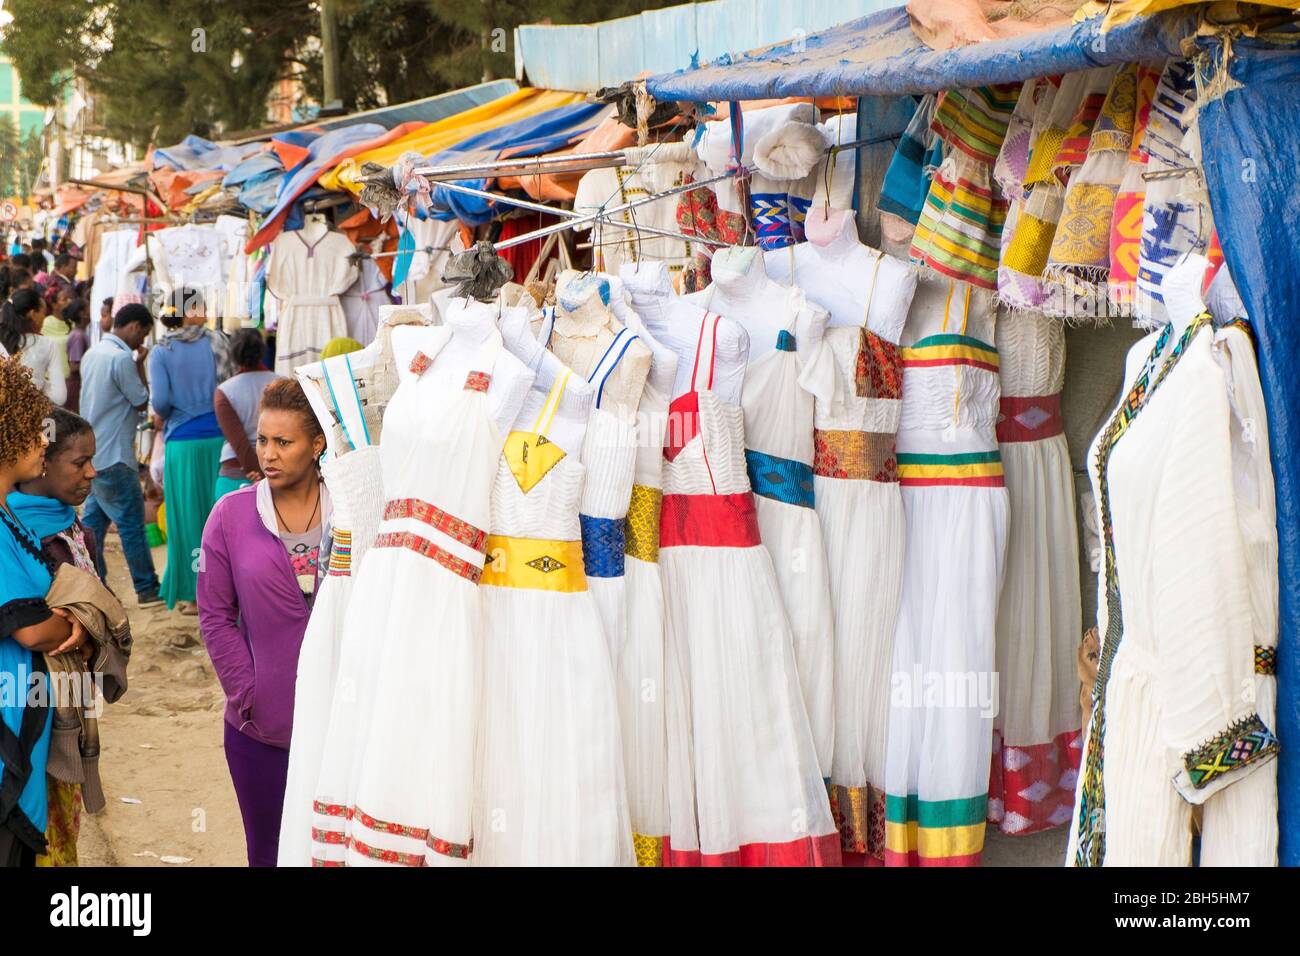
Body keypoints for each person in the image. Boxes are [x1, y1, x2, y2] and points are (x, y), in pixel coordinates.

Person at [198, 377, 328, 866]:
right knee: (269, 853)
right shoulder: (231, 515)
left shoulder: (352, 511)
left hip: (343, 721)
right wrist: (247, 692)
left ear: (317, 445)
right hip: (262, 732)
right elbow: (214, 615)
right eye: (262, 440)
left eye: (284, 442)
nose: (268, 454)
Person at [9, 408, 128, 867]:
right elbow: (36, 626)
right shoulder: (18, 533)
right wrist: (76, 623)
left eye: (92, 461)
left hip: (70, 699)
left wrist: (88, 625)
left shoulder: (76, 528)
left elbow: (100, 604)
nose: (91, 472)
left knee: (63, 823)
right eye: (79, 462)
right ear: (41, 461)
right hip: (28, 706)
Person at [0, 359, 89, 867]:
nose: (43, 441)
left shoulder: (10, 519)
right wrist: (74, 623)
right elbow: (32, 628)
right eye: (36, 431)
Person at [149, 288, 230, 612]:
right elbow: (228, 387)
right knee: (217, 518)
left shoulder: (161, 350)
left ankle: (191, 593)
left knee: (186, 520)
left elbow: (161, 403)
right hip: (219, 441)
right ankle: (223, 590)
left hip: (182, 443)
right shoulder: (218, 341)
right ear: (189, 310)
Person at [80, 304, 161, 606]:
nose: (141, 339)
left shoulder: (93, 353)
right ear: (132, 326)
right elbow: (140, 399)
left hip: (92, 453)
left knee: (92, 528)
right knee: (130, 525)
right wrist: (140, 361)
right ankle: (146, 588)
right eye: (142, 332)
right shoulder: (121, 358)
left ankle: (94, 587)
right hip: (115, 454)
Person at [213, 328, 279, 499]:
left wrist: (255, 472)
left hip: (236, 475)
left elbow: (240, 444)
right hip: (277, 469)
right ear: (262, 350)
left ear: (233, 354)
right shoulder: (281, 383)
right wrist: (266, 473)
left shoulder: (224, 391)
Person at [0, 287, 67, 406]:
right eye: (43, 313)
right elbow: (59, 397)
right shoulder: (47, 345)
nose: (44, 318)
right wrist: (39, 383)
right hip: (30, 420)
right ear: (32, 314)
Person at [62, 300, 91, 414]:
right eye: (88, 308)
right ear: (82, 313)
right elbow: (74, 366)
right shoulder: (78, 336)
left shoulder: (81, 333)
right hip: (75, 387)